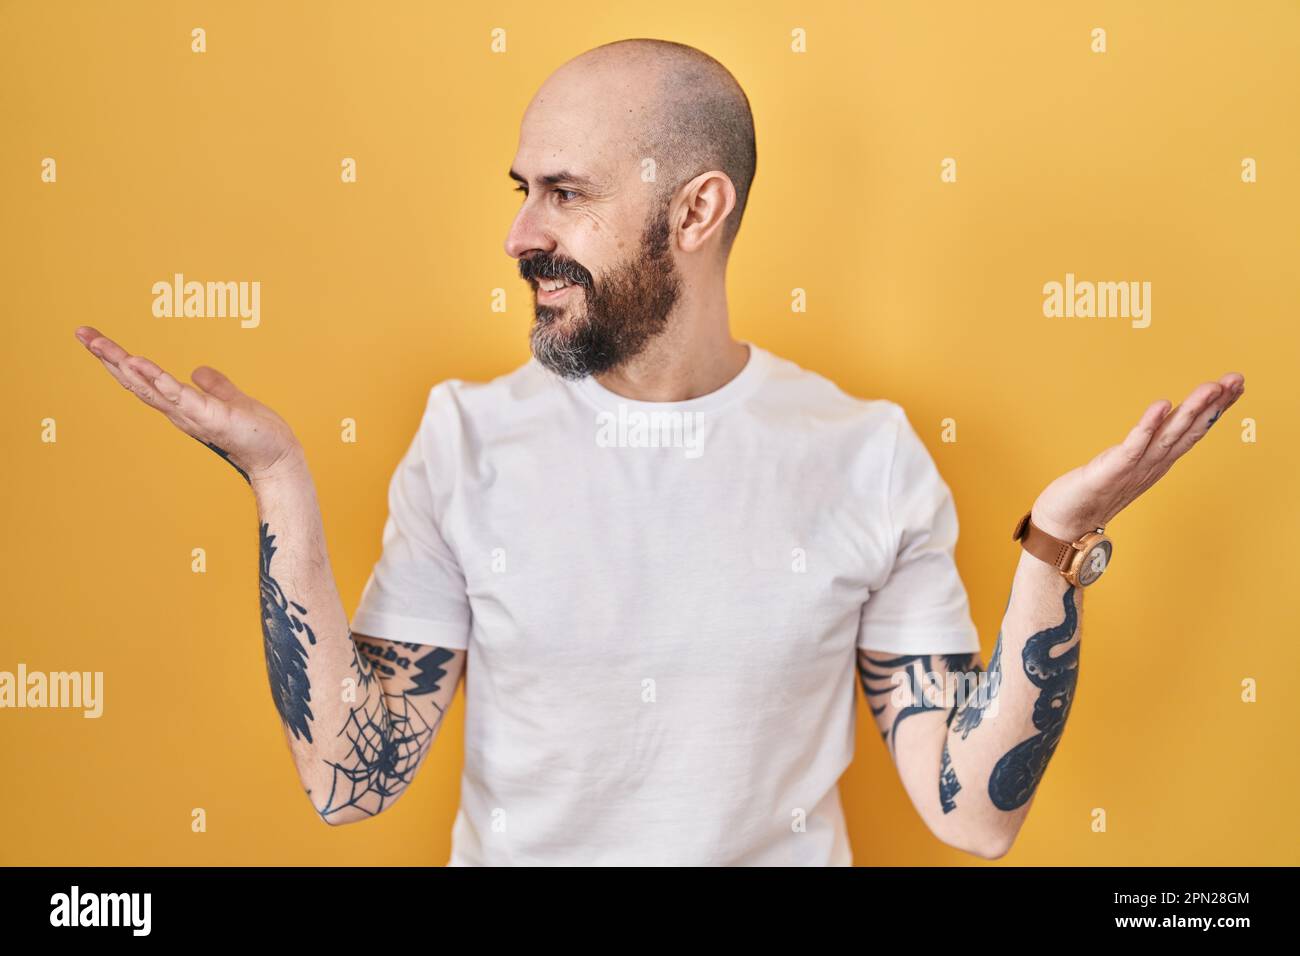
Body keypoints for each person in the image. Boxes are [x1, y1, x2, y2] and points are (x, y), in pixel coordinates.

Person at [73, 38, 1244, 866]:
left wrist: (1055, 543)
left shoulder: (867, 455)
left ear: (696, 212)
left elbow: (970, 811)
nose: (519, 234)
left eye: (565, 195)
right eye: (524, 190)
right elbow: (350, 778)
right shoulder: (466, 438)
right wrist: (279, 479)